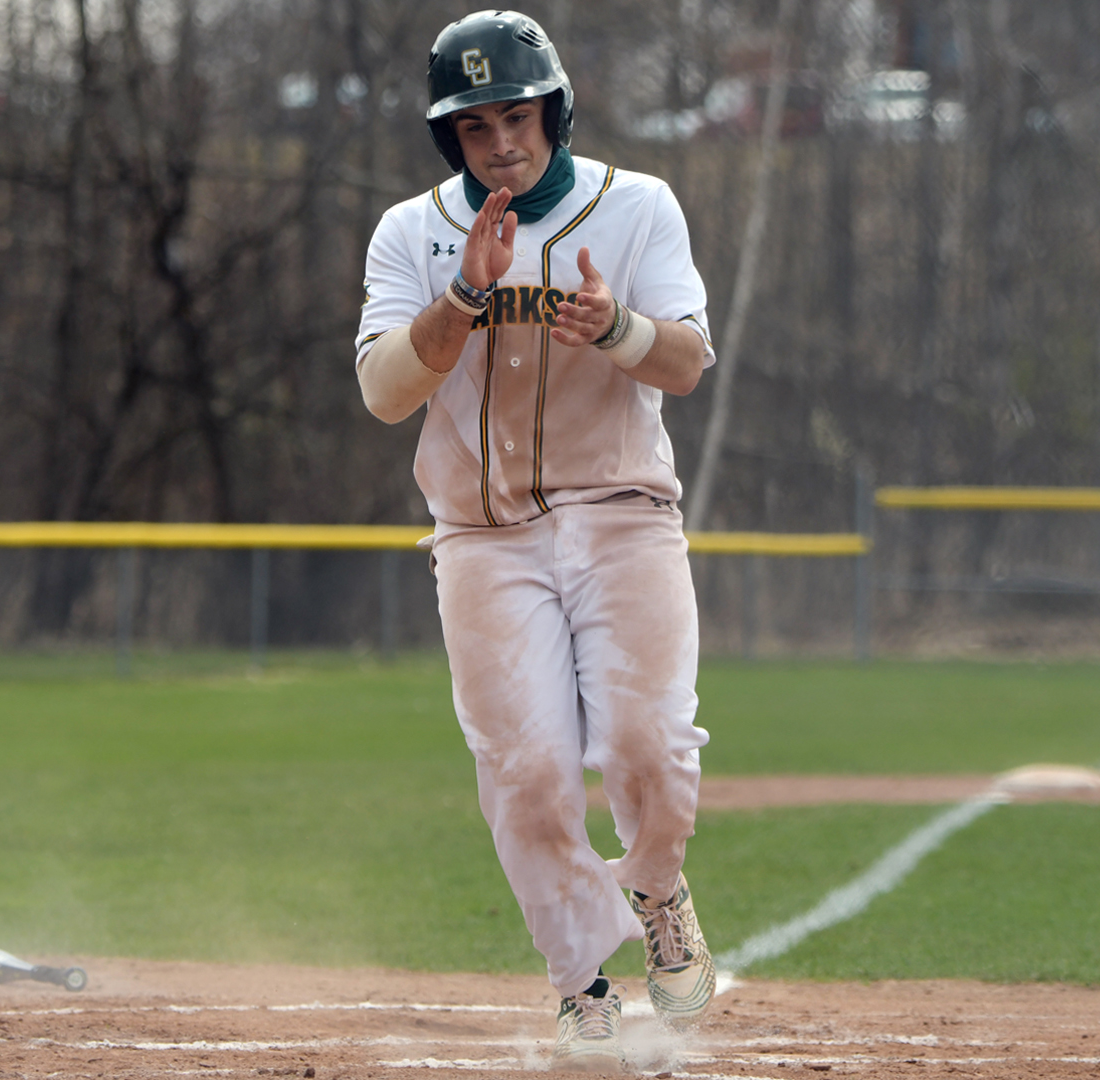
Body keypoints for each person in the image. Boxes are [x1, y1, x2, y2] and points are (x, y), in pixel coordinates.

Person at [354, 11, 715, 1069]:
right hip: (483, 537)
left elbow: (687, 362)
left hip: (621, 517)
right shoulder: (410, 233)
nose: (500, 139)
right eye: (475, 125)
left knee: (647, 745)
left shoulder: (637, 206)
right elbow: (383, 392)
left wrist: (616, 329)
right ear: (450, 138)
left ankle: (655, 888)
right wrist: (463, 295)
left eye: (517, 114)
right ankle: (580, 986)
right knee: (526, 772)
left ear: (552, 111)